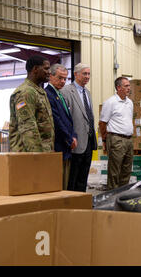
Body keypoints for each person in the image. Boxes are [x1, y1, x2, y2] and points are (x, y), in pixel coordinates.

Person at [61, 63, 97, 192]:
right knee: (73, 178)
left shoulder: (87, 92)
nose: (87, 77)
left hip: (88, 140)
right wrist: (70, 137)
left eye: (88, 74)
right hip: (75, 142)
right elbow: (65, 117)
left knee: (83, 177)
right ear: (76, 74)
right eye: (84, 74)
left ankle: (81, 202)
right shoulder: (66, 91)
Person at [9, 55, 54, 152]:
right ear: (35, 69)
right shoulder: (26, 93)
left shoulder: (39, 91)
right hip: (30, 154)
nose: (49, 72)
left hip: (44, 151)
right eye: (46, 68)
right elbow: (28, 128)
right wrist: (37, 156)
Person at [45, 64, 78, 189]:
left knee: (66, 181)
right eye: (60, 78)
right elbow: (56, 120)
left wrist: (73, 135)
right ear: (51, 77)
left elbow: (68, 119)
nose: (63, 81)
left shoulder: (59, 94)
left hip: (66, 145)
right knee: (59, 182)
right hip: (59, 144)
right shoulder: (48, 94)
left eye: (65, 78)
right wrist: (69, 138)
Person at [99, 77, 134, 190]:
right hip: (116, 139)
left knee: (126, 170)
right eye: (126, 86)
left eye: (129, 85)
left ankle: (122, 195)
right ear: (118, 88)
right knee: (114, 171)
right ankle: (112, 195)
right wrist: (104, 139)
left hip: (129, 139)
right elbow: (102, 123)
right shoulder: (110, 102)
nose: (129, 88)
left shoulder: (130, 102)